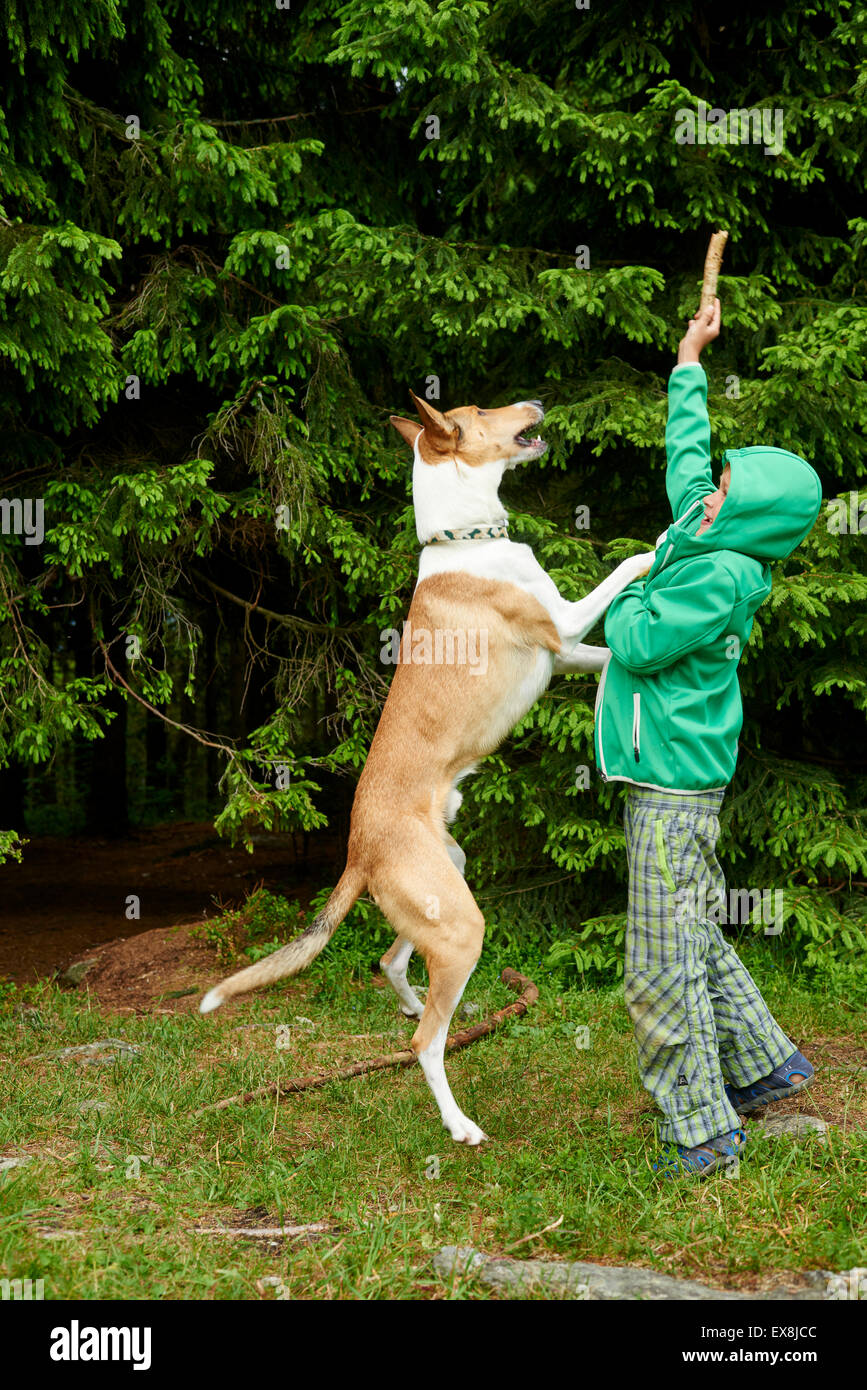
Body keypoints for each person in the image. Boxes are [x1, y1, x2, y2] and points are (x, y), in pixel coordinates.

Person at [594, 298, 823, 1177]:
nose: (713, 486)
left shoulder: (725, 574)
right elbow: (688, 461)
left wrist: (626, 582)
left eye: (729, 487)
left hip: (675, 790)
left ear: (752, 520)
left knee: (659, 963)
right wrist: (689, 361)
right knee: (689, 927)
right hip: (673, 781)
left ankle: (700, 1132)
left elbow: (638, 641)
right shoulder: (707, 523)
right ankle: (765, 1067)